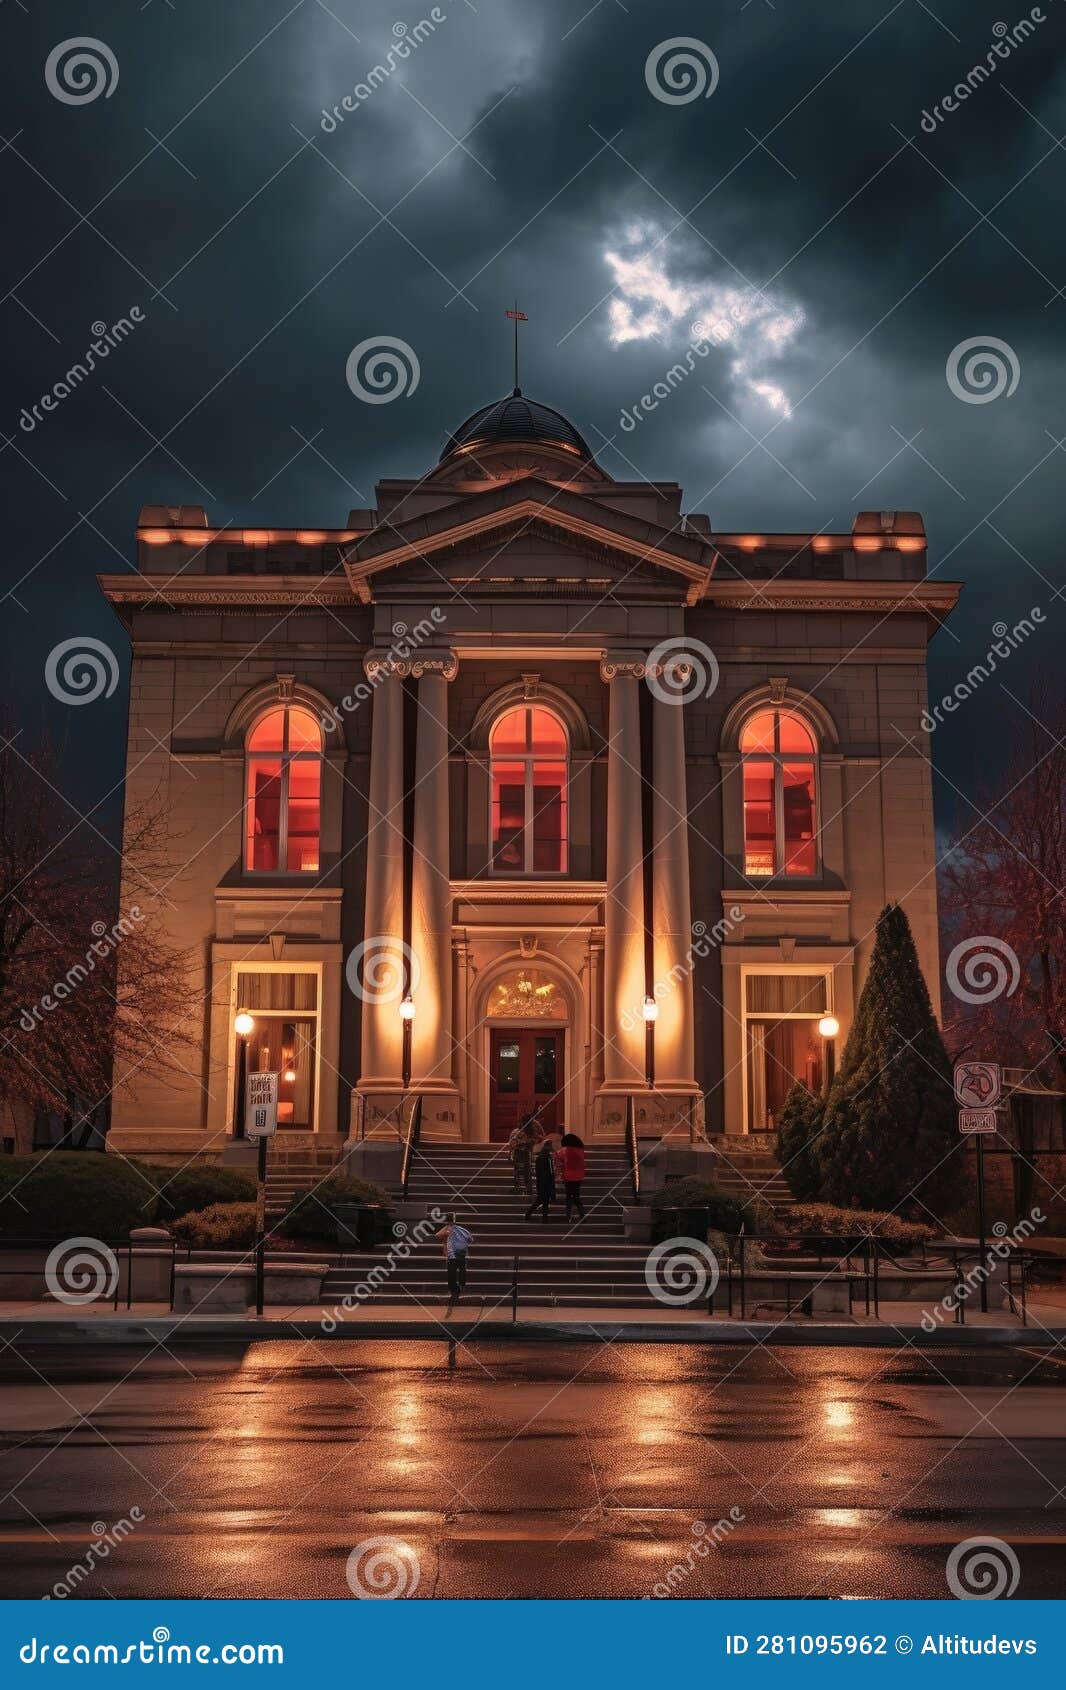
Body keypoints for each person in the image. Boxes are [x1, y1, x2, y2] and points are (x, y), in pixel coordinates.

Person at [437, 1221, 473, 1308]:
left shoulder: (456, 1229)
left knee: (457, 1272)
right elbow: (438, 1235)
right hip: (456, 1254)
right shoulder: (453, 1229)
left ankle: (458, 1288)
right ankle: (457, 1288)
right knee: (456, 1272)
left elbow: (470, 1239)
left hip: (457, 1254)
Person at [524, 1136, 556, 1224]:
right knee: (543, 1200)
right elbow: (551, 1171)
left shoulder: (540, 1157)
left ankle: (541, 1217)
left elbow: (538, 1171)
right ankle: (540, 1216)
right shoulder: (548, 1158)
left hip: (540, 1181)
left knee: (542, 1199)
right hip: (547, 1181)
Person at [560, 1131, 586, 1222]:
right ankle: (582, 1215)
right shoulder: (580, 1151)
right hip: (578, 1177)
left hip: (568, 1177)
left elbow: (557, 1156)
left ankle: (568, 1216)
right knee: (576, 1197)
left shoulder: (566, 1150)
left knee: (568, 1197)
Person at [508, 1119, 534, 1193]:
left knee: (526, 1171)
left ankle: (526, 1187)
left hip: (524, 1153)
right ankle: (519, 1187)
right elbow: (512, 1143)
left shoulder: (527, 1132)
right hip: (519, 1153)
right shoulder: (515, 1132)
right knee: (519, 1171)